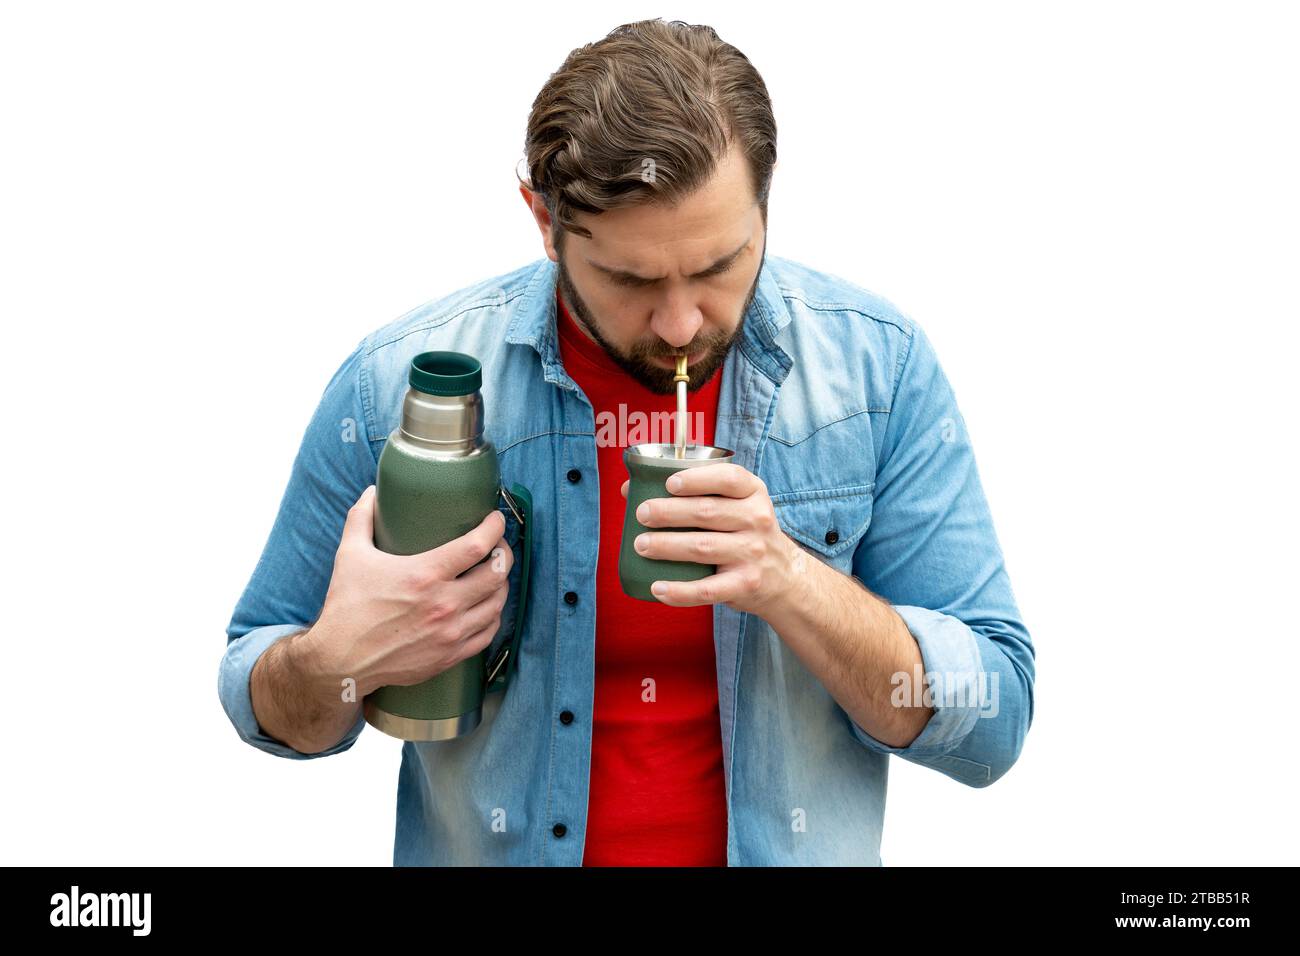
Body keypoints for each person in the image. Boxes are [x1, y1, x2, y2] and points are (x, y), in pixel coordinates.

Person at [218, 17, 1035, 866]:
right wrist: (335, 660)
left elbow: (996, 718)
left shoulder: (879, 370)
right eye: (630, 280)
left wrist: (791, 581)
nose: (681, 324)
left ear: (767, 200)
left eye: (721, 266)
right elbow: (265, 706)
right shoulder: (396, 383)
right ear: (542, 220)